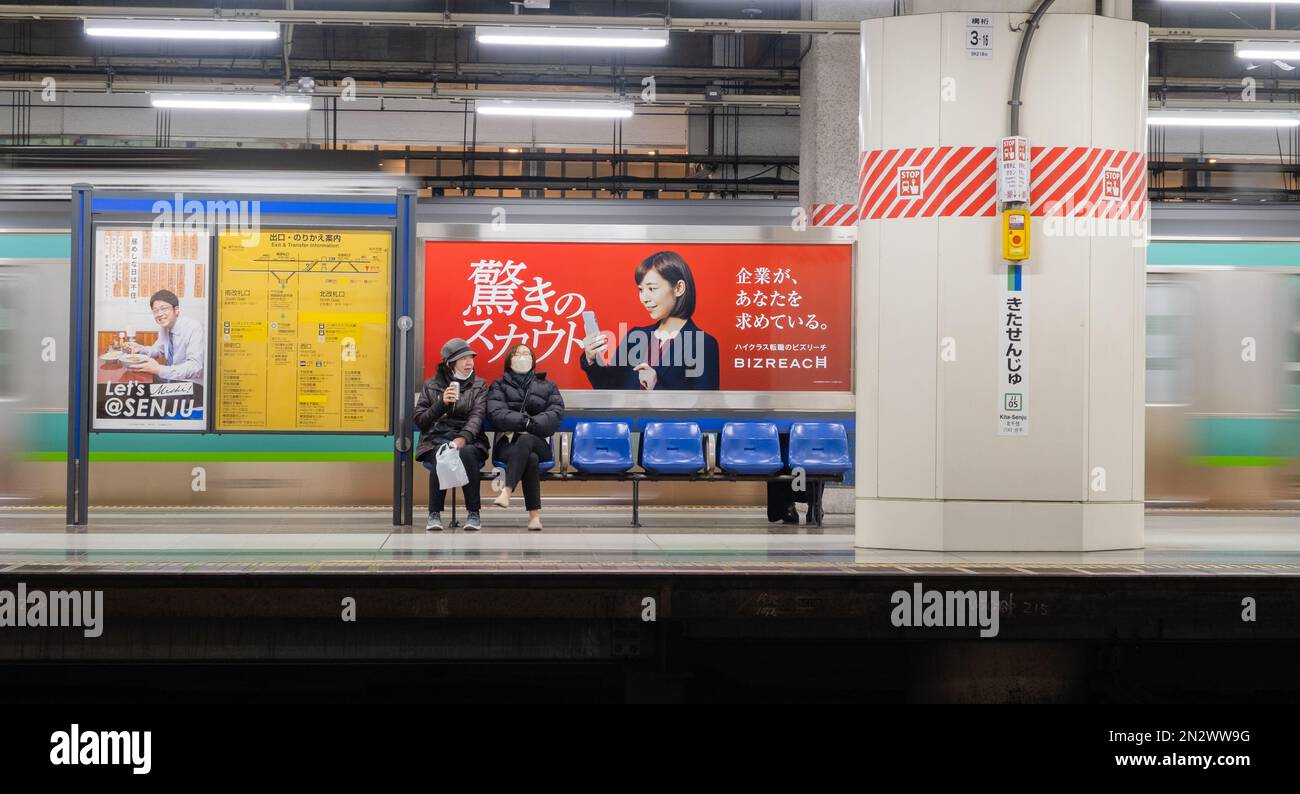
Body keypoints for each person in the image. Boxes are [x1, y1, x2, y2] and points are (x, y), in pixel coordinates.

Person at [580, 251, 720, 391]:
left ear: (679, 288)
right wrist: (592, 359)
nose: (644, 298)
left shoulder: (702, 343)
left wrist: (656, 388)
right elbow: (608, 389)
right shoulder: (635, 337)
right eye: (641, 289)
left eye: (652, 288)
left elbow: (704, 407)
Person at [486, 344, 565, 531]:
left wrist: (529, 425)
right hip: (508, 445)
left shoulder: (548, 386)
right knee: (530, 458)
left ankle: (506, 491)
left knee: (528, 440)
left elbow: (555, 414)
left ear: (533, 358)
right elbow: (496, 413)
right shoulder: (498, 386)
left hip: (539, 443)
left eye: (526, 353)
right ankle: (534, 517)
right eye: (517, 353)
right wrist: (526, 422)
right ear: (509, 360)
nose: (522, 356)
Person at [414, 338, 489, 531]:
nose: (469, 362)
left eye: (471, 357)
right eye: (463, 358)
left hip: (469, 439)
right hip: (436, 438)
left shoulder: (479, 385)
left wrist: (463, 438)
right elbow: (421, 420)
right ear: (450, 363)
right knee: (442, 452)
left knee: (466, 453)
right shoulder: (431, 385)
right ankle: (434, 513)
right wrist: (441, 404)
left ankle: (473, 513)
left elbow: (477, 416)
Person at [124, 289, 205, 382]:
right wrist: (140, 348)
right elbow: (157, 350)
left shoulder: (194, 328)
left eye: (164, 308)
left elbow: (195, 368)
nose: (159, 314)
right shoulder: (165, 327)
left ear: (176, 310)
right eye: (155, 310)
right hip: (171, 378)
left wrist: (159, 369)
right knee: (136, 385)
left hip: (191, 384)